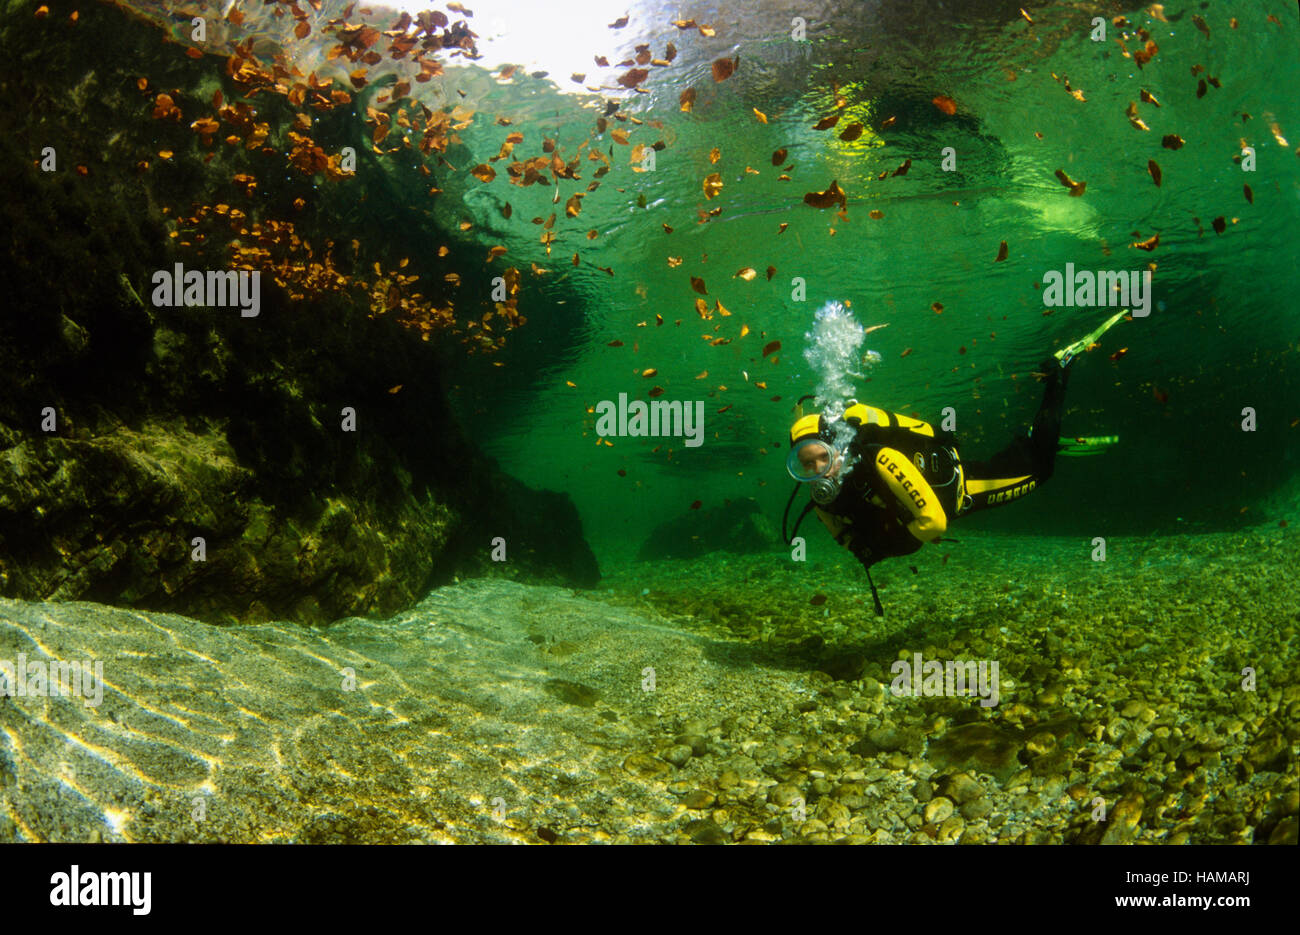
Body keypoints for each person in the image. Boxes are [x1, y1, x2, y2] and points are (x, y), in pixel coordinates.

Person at [782, 310, 1127, 613]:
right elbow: (845, 537)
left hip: (962, 490)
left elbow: (933, 524)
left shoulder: (882, 458)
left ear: (837, 448)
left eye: (822, 458)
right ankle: (1041, 443)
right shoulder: (821, 497)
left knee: (1041, 469)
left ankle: (1059, 373)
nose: (817, 472)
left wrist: (889, 544)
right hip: (951, 486)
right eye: (805, 464)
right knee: (1011, 461)